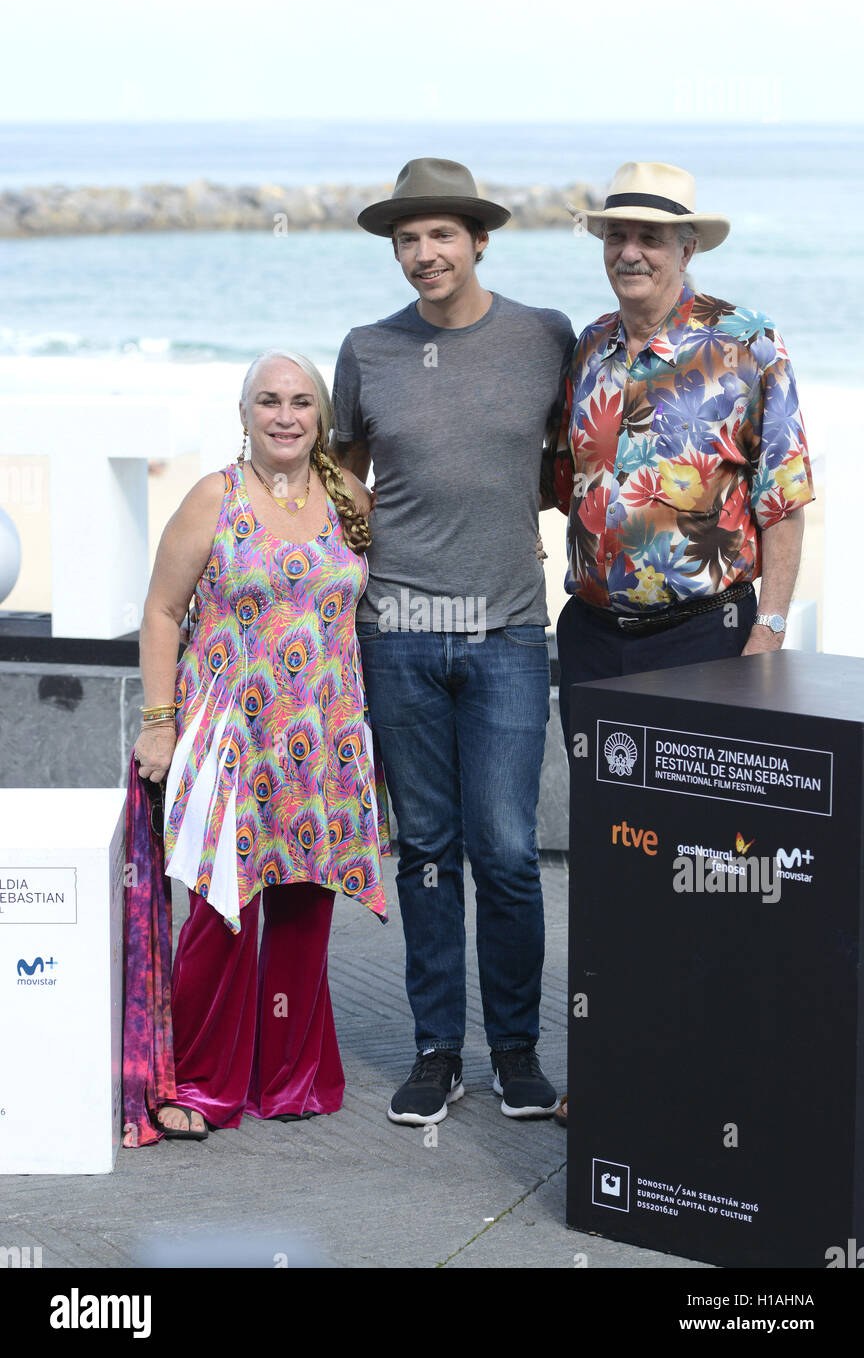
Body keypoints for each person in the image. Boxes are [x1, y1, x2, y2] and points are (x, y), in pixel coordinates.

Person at [552, 161, 814, 1123]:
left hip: (705, 640)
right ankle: (609, 1063)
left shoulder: (748, 345)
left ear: (687, 248)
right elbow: (558, 482)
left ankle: (707, 1067)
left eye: (650, 238)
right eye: (617, 236)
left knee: (703, 860)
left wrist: (771, 630)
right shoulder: (585, 352)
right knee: (611, 857)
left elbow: (784, 499)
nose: (630, 251)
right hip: (591, 641)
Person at [330, 157, 575, 1125]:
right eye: (406, 239)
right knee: (426, 846)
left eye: (440, 235)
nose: (423, 253)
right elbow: (345, 473)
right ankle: (439, 1047)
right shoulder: (367, 350)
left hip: (510, 629)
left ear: (479, 240)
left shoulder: (542, 338)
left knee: (508, 849)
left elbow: (574, 453)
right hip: (397, 632)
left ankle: (514, 1048)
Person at [133, 351, 388, 1139]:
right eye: (269, 401)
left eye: (301, 401)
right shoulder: (215, 495)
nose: (285, 415)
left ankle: (290, 1076)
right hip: (229, 739)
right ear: (244, 413)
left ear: (322, 416)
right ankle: (202, 1084)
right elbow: (162, 613)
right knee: (222, 908)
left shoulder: (350, 497)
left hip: (323, 736)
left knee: (306, 902)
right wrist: (158, 720)